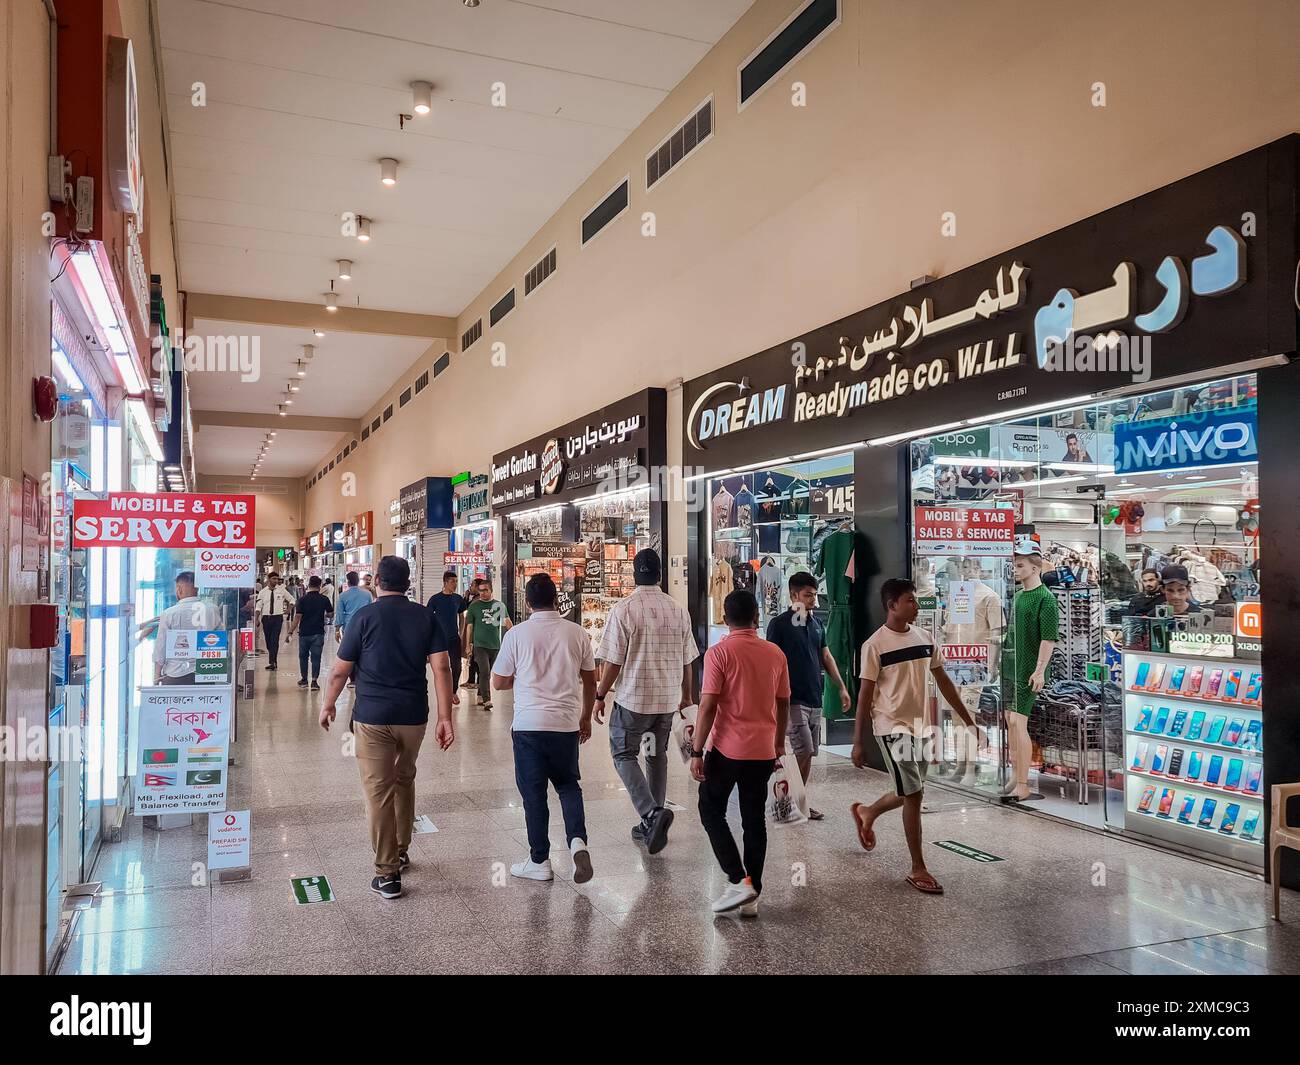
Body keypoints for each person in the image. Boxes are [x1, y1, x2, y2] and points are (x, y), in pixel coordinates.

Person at [319, 555, 454, 900]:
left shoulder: (363, 617)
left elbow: (340, 670)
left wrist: (328, 704)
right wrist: (444, 717)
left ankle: (387, 873)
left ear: (377, 580)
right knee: (405, 778)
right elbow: (441, 667)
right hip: (414, 716)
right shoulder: (426, 616)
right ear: (408, 583)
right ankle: (402, 849)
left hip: (373, 717)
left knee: (378, 791)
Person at [850, 578, 983, 896]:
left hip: (922, 726)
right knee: (914, 795)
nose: (917, 605)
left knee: (909, 790)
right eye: (910, 600)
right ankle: (918, 867)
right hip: (892, 728)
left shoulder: (925, 637)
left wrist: (967, 721)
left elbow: (945, 682)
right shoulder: (875, 646)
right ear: (891, 605)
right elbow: (865, 695)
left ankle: (866, 812)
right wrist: (858, 741)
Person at [690, 589, 789, 917]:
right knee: (753, 819)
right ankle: (753, 892)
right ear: (756, 616)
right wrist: (778, 743)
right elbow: (784, 701)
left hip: (728, 749)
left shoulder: (718, 654)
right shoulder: (775, 654)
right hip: (762, 750)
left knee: (710, 809)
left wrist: (696, 751)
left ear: (724, 616)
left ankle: (738, 879)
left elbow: (708, 705)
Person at [492, 573, 596, 884]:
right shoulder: (577, 633)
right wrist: (586, 717)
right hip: (565, 725)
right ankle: (577, 841)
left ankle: (539, 860)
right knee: (568, 786)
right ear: (556, 600)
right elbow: (591, 680)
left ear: (526, 603)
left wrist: (519, 676)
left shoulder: (517, 635)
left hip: (528, 728)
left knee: (534, 795)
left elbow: (498, 682)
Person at [594, 549, 698, 852]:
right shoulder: (678, 610)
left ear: (633, 575)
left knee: (624, 754)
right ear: (661, 574)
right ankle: (650, 823)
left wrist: (600, 694)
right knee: (655, 756)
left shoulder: (624, 610)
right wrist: (686, 697)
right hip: (666, 701)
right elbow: (687, 659)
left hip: (632, 701)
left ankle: (651, 814)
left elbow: (613, 661)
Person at [765, 570, 850, 821]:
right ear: (794, 595)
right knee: (804, 749)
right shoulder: (779, 624)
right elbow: (771, 661)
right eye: (808, 595)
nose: (813, 600)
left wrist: (841, 686)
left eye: (814, 595)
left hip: (815, 696)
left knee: (809, 754)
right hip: (792, 699)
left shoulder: (816, 624)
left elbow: (826, 656)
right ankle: (789, 800)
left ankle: (798, 802)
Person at [154, 571, 221, 684]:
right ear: (197, 589)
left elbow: (161, 647)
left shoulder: (169, 613)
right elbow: (220, 640)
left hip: (175, 674)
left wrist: (156, 676)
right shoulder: (212, 609)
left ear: (179, 589)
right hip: (205, 672)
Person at [464, 579, 511, 710]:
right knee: (484, 671)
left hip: (495, 645)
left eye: (485, 590)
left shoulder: (499, 605)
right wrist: (468, 645)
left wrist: (515, 638)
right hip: (480, 645)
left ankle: (480, 694)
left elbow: (507, 622)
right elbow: (469, 627)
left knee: (486, 672)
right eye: (480, 590)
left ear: (491, 590)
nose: (483, 593)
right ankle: (487, 700)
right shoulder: (474, 606)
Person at [427, 571, 469, 707]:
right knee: (441, 667)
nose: (455, 584)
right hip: (439, 639)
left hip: (453, 638)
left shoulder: (458, 599)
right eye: (452, 582)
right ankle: (443, 693)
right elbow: (429, 618)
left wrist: (461, 633)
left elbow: (462, 617)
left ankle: (453, 691)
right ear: (445, 582)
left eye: (456, 581)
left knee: (457, 667)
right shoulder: (435, 599)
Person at [289, 576, 331, 690]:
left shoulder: (302, 600)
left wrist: (290, 631)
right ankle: (314, 682)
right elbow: (330, 613)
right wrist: (323, 615)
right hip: (318, 632)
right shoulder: (324, 599)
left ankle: (304, 680)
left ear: (309, 585)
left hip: (304, 633)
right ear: (319, 585)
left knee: (303, 657)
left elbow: (297, 617)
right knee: (316, 657)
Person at [255, 572, 291, 671]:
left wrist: (287, 610)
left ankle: (273, 662)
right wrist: (256, 619)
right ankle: (272, 659)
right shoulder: (262, 592)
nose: (276, 581)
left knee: (274, 640)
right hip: (266, 618)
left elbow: (292, 601)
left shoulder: (281, 591)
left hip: (277, 618)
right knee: (268, 641)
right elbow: (258, 607)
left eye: (277, 579)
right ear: (268, 579)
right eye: (274, 579)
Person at [461, 578, 483, 690]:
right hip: (473, 633)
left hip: (476, 633)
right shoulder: (474, 599)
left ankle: (477, 681)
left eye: (472, 585)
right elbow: (464, 607)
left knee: (476, 658)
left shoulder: (479, 601)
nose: (471, 587)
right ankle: (471, 680)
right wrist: (466, 597)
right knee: (472, 657)